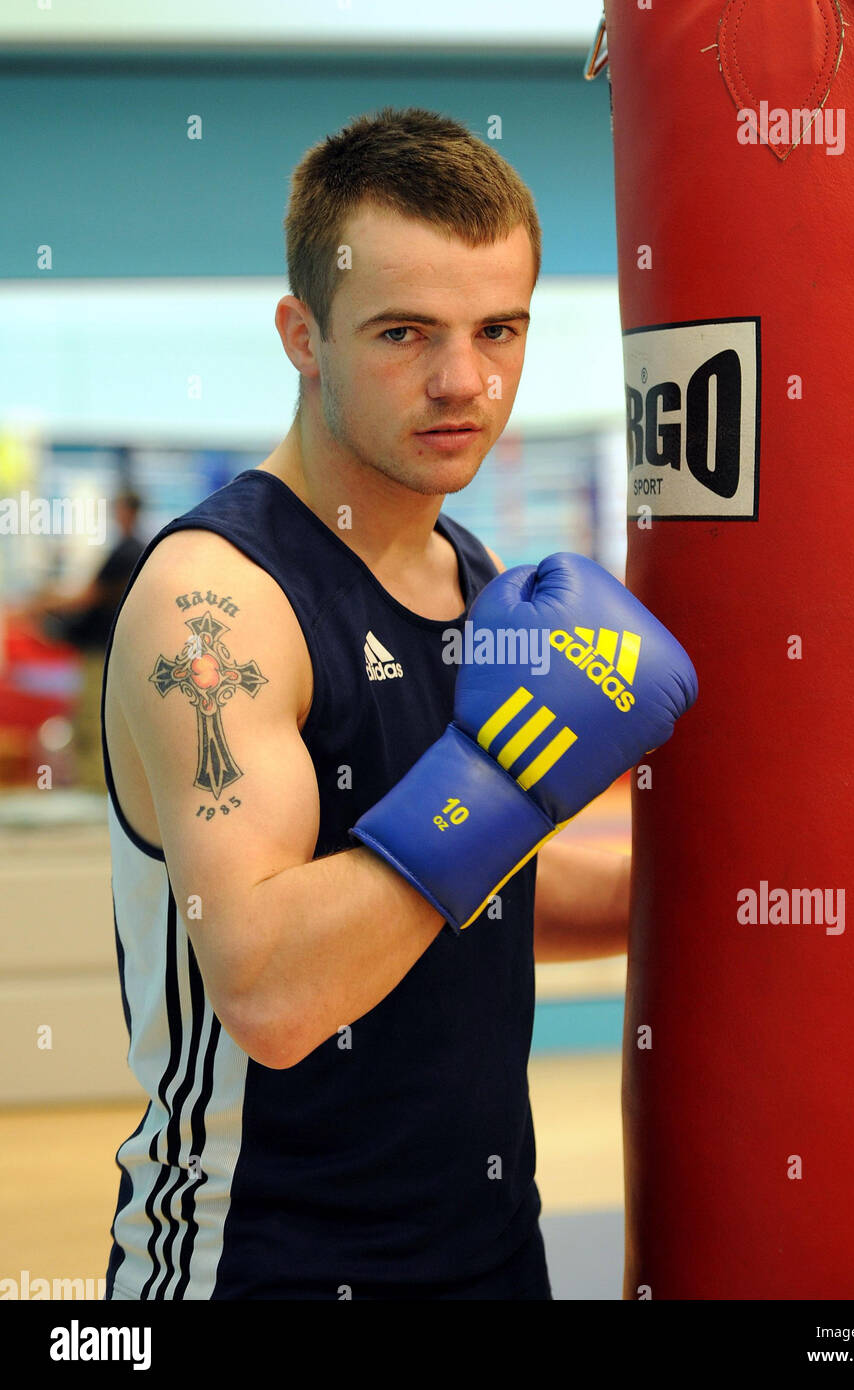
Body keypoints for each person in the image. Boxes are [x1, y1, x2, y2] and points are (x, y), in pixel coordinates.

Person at [100, 107, 695, 1301]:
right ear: (301, 333)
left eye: (498, 329)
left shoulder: (476, 578)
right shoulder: (215, 601)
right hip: (255, 1261)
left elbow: (476, 894)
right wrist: (506, 776)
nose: (461, 379)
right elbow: (268, 991)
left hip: (486, 1254)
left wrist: (730, 892)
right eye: (403, 332)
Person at [24, 490, 143, 792]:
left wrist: (47, 601)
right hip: (116, 648)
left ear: (125, 511)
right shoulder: (138, 550)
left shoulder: (127, 551)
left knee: (92, 718)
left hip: (101, 650)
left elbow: (88, 595)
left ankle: (95, 786)